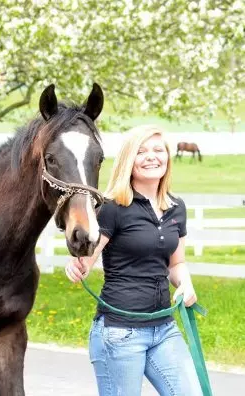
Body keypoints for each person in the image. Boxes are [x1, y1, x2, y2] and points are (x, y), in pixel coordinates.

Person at [65, 125, 202, 396]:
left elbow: (176, 264)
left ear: (167, 158)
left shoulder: (176, 207)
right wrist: (78, 265)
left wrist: (185, 284)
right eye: (141, 151)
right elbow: (87, 260)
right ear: (129, 159)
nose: (151, 157)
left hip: (164, 327)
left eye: (157, 150)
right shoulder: (112, 208)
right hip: (119, 332)